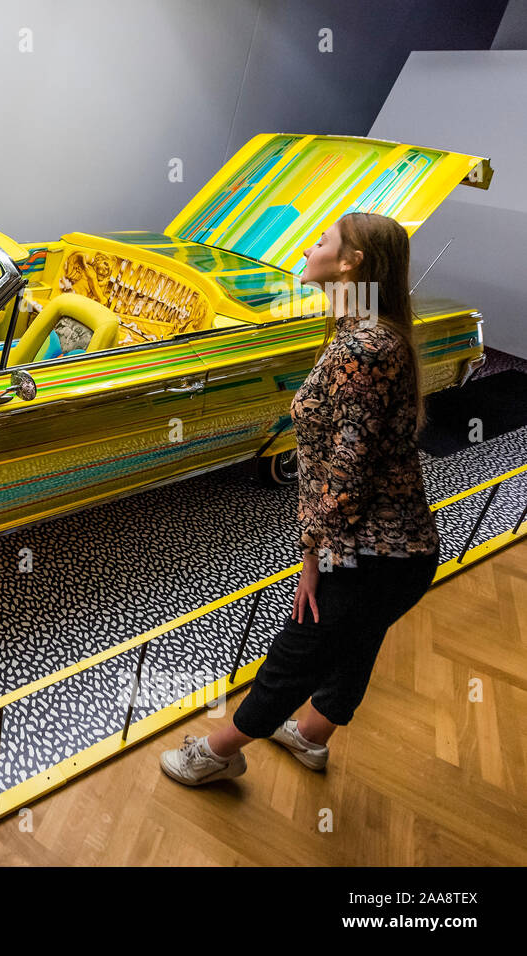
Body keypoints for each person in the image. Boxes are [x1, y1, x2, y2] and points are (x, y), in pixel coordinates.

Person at [160, 212, 442, 786]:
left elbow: (347, 470)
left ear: (350, 263)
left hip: (375, 553)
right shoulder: (362, 331)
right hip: (387, 550)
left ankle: (218, 753)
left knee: (296, 656)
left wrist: (311, 554)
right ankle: (310, 737)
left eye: (322, 240)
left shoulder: (366, 346)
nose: (310, 246)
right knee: (352, 644)